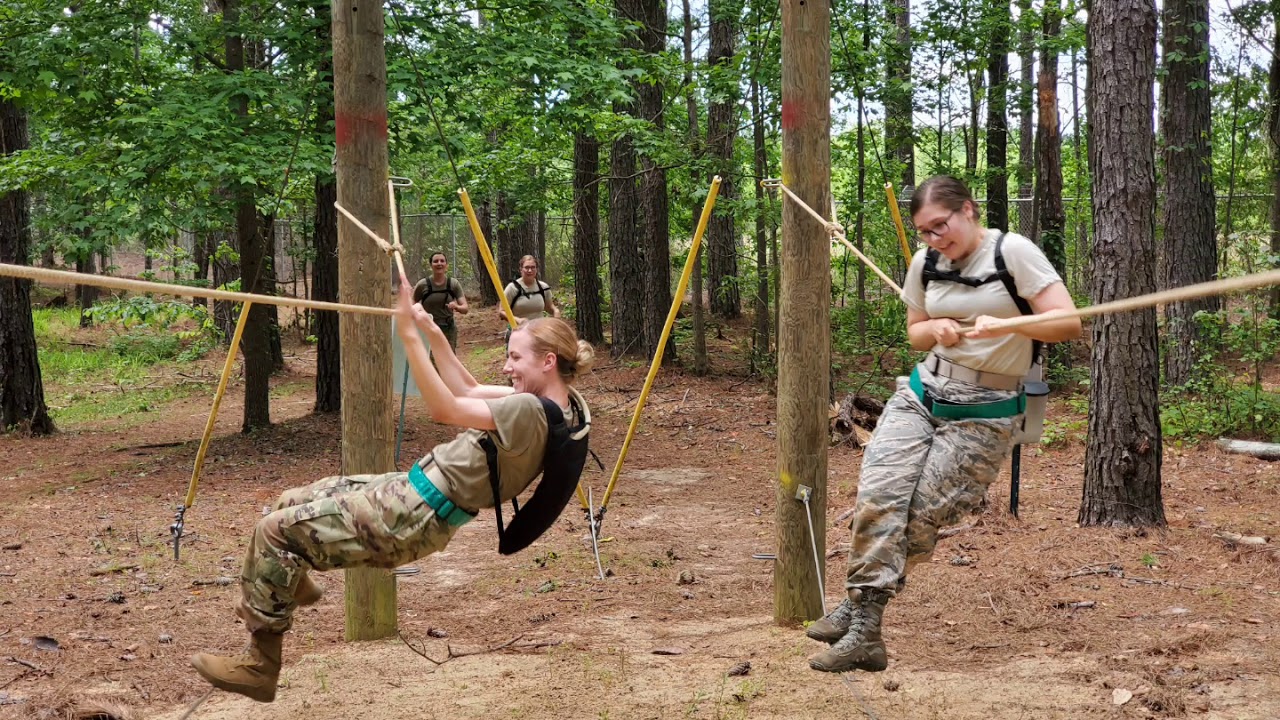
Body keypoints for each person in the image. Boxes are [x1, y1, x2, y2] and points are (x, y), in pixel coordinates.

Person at [189, 275, 594, 703]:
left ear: (548, 361)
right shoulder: (560, 406)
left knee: (273, 532)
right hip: (411, 491)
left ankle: (259, 667)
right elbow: (469, 389)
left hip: (414, 514)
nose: (507, 366)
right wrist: (433, 332)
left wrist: (407, 338)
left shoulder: (529, 409)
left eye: (515, 357)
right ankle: (290, 578)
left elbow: (445, 407)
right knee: (292, 501)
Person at [806, 175, 1082, 674]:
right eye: (924, 231)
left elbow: (1068, 323)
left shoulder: (1012, 253)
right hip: (921, 394)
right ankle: (865, 622)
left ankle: (863, 607)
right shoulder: (925, 262)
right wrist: (933, 328)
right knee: (878, 496)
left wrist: (1012, 323)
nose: (935, 238)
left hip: (985, 408)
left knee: (921, 513)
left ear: (969, 210)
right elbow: (915, 331)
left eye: (942, 225)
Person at [411, 251, 468, 350]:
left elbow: (465, 308)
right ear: (431, 265)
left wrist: (456, 307)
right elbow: (411, 307)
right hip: (428, 327)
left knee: (448, 360)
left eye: (442, 261)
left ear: (446, 265)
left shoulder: (453, 284)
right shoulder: (422, 284)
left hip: (448, 329)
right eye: (435, 261)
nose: (439, 263)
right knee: (430, 360)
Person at [502, 255, 559, 323]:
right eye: (526, 267)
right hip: (519, 329)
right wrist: (518, 320)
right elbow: (502, 311)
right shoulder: (512, 288)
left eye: (533, 267)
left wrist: (556, 311)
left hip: (539, 329)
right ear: (521, 269)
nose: (530, 270)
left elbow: (549, 306)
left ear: (536, 269)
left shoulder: (543, 287)